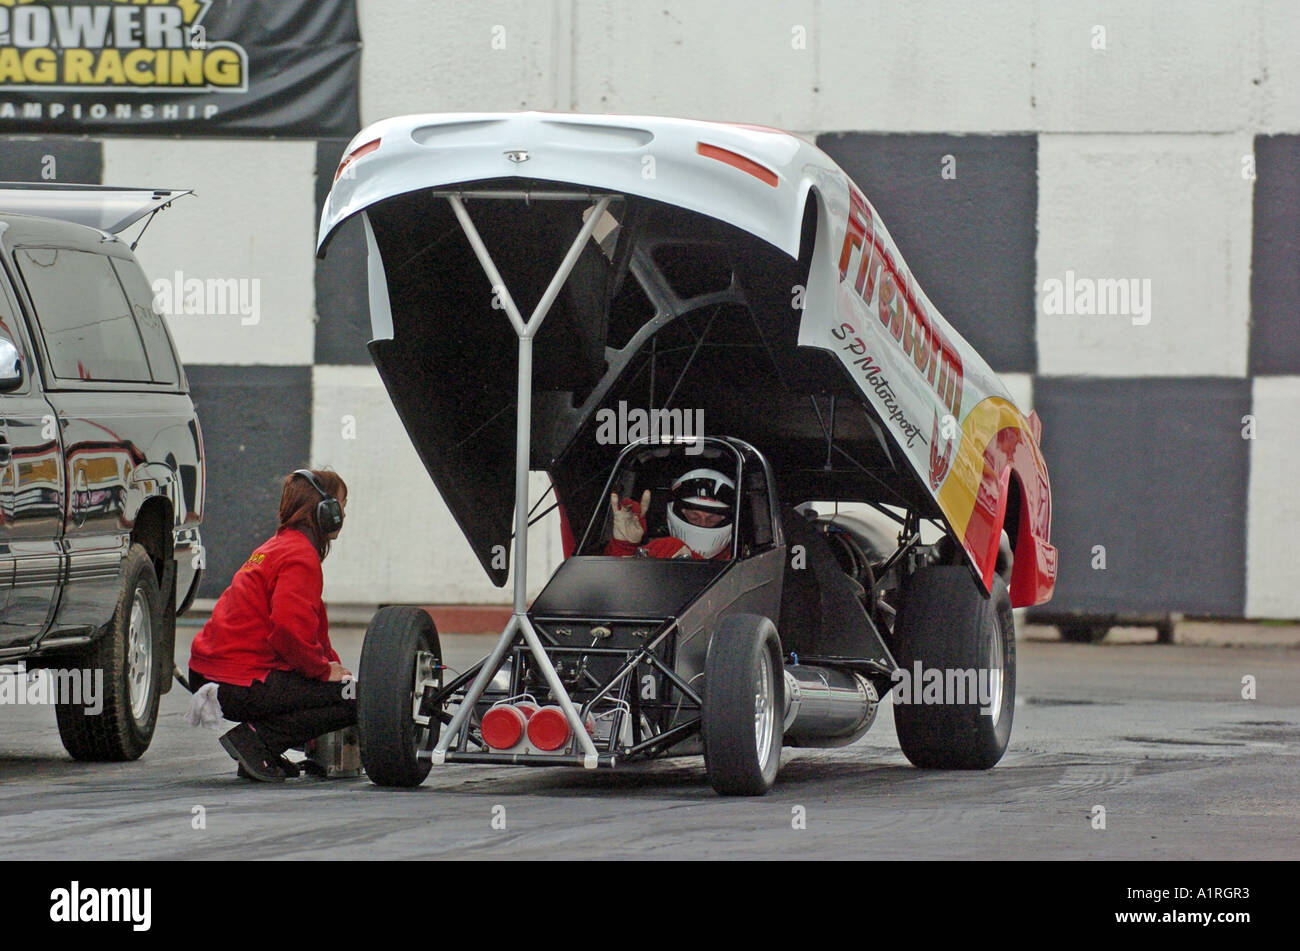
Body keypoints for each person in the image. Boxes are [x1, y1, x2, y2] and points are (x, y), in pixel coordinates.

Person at [187, 469, 356, 782]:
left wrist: (330, 665)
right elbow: (288, 631)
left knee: (334, 685)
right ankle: (257, 744)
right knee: (352, 697)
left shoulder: (278, 547)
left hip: (211, 673)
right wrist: (322, 673)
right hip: (238, 682)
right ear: (326, 510)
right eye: (342, 505)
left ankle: (262, 749)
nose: (344, 513)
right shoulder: (300, 556)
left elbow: (310, 627)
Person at [606, 467, 735, 560]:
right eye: (694, 516)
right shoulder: (661, 549)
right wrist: (624, 546)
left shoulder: (742, 562)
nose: (703, 523)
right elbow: (610, 585)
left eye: (713, 518)